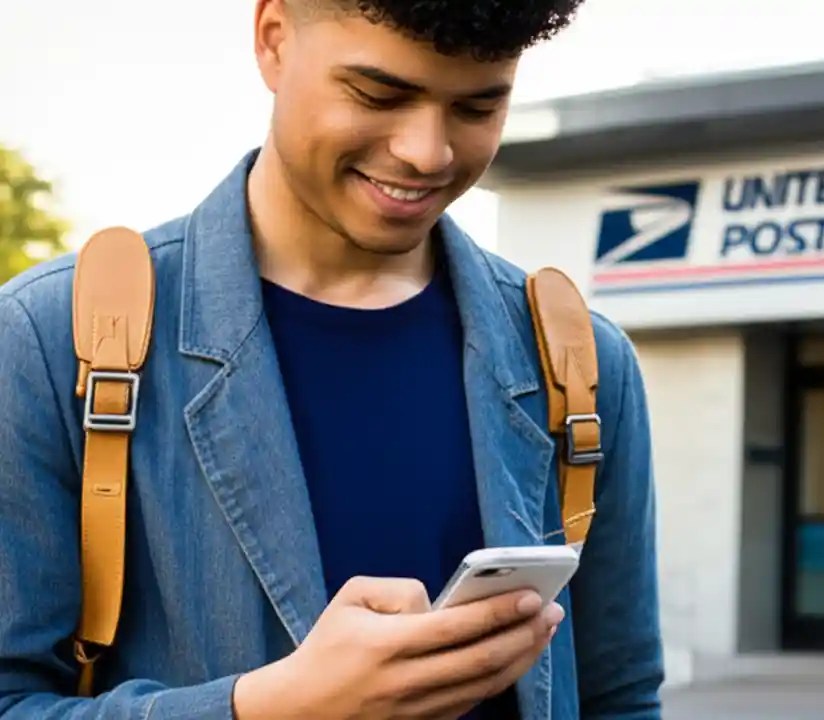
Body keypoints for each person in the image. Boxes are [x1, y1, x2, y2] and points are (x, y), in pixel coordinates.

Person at [0, 0, 663, 718]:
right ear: (273, 39)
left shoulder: (580, 361)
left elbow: (619, 695)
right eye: (379, 95)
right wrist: (267, 709)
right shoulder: (47, 338)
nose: (426, 151)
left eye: (476, 108)